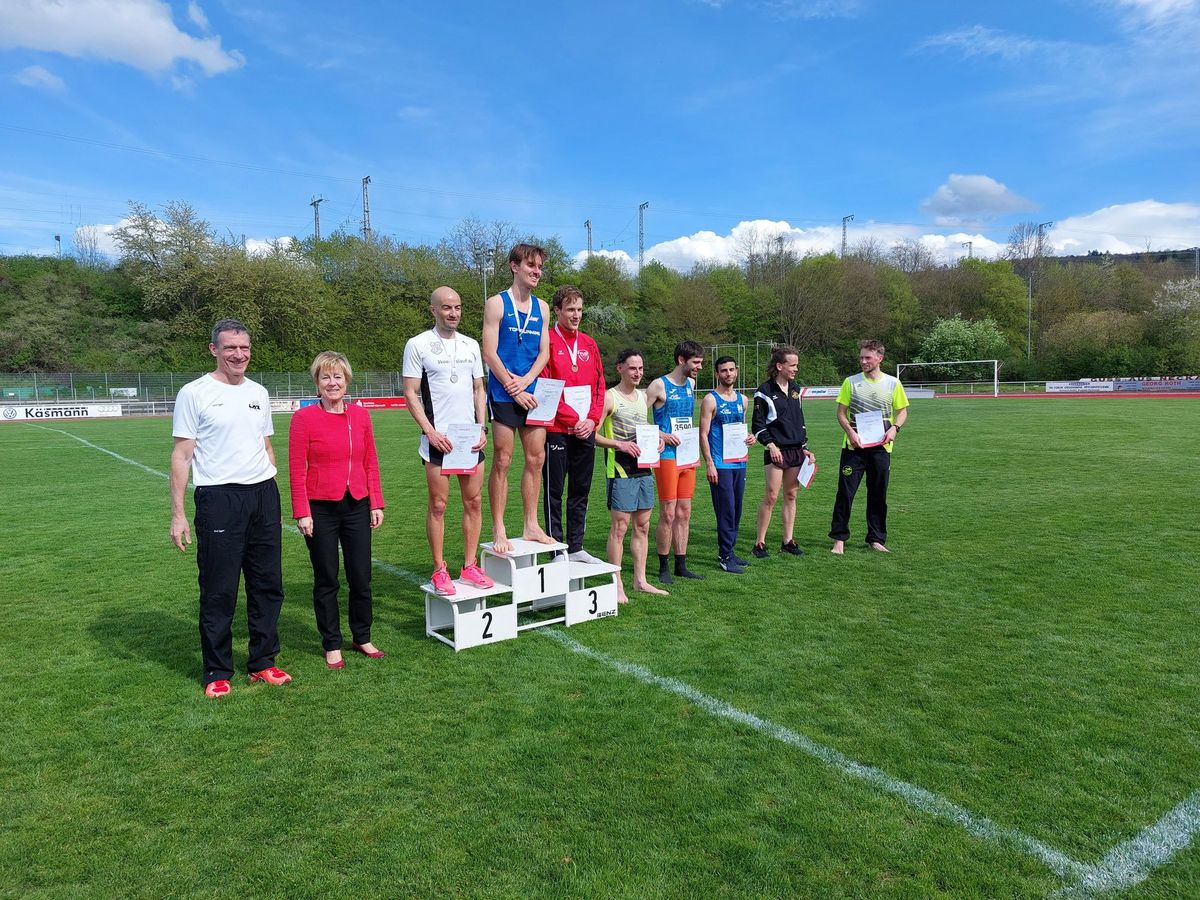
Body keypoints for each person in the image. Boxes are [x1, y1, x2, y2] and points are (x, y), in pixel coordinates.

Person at [169, 318, 291, 698]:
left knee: (267, 585)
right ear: (214, 350)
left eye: (244, 348)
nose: (239, 355)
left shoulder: (258, 391)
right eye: (230, 348)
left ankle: (263, 662)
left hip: (263, 495)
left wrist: (273, 488)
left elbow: (265, 443)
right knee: (219, 589)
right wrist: (177, 514)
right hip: (219, 498)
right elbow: (181, 454)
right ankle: (217, 669)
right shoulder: (194, 393)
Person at [288, 351, 386, 669]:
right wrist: (302, 511)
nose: (333, 382)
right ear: (317, 383)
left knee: (361, 576)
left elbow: (369, 460)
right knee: (327, 578)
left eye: (338, 377)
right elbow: (295, 468)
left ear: (347, 381)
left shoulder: (361, 416)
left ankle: (361, 635)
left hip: (357, 503)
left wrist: (376, 501)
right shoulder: (303, 419)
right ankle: (331, 642)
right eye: (326, 377)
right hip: (320, 509)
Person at [403, 286, 495, 596]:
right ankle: (440, 568)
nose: (452, 312)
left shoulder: (470, 345)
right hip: (438, 439)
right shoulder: (417, 344)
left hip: (469, 438)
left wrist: (482, 427)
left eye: (457, 307)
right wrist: (430, 431)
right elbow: (411, 393)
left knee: (474, 502)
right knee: (439, 506)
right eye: (446, 307)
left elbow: (478, 389)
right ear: (433, 310)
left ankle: (469, 565)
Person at [481, 243, 555, 554]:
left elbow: (544, 352)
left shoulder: (543, 308)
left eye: (539, 267)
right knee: (503, 459)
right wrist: (514, 386)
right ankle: (499, 527)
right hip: (503, 391)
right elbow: (489, 351)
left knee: (536, 459)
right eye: (530, 266)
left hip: (533, 393)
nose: (537, 271)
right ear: (515, 266)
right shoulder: (496, 304)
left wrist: (528, 382)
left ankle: (531, 523)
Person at [540, 285, 607, 564]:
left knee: (581, 489)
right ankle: (556, 547)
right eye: (570, 309)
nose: (576, 314)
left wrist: (591, 420)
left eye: (579, 309)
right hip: (557, 429)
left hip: (585, 430)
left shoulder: (590, 344)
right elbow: (545, 387)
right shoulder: (547, 341)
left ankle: (576, 546)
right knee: (554, 490)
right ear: (557, 310)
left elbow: (600, 387)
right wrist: (574, 419)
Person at [595, 349, 668, 603]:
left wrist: (656, 439)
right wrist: (619, 445)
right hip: (620, 470)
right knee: (620, 528)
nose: (637, 373)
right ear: (620, 369)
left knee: (643, 526)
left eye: (640, 368)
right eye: (632, 368)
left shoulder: (641, 397)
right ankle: (615, 585)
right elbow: (593, 435)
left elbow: (643, 428)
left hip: (644, 469)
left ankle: (640, 581)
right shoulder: (609, 397)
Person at [830, 339, 910, 554]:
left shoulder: (893, 383)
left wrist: (894, 429)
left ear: (880, 358)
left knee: (877, 494)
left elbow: (902, 411)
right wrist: (851, 433)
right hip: (853, 448)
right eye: (861, 357)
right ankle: (839, 539)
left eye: (867, 357)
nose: (863, 361)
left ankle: (876, 539)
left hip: (881, 448)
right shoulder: (851, 382)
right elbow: (840, 412)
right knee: (845, 494)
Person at [646, 340, 705, 582]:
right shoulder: (658, 385)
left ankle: (682, 564)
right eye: (696, 362)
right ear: (682, 360)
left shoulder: (691, 384)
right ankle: (663, 566)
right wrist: (661, 434)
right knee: (668, 512)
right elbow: (638, 417)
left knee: (685, 511)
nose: (699, 367)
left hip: (688, 454)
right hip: (667, 455)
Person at [751, 345, 816, 558]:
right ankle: (759, 543)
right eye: (793, 365)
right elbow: (758, 425)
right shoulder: (764, 391)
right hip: (776, 451)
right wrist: (771, 446)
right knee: (770, 496)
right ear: (779, 366)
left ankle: (788, 541)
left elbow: (800, 421)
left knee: (791, 495)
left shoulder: (796, 389)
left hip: (796, 451)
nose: (796, 369)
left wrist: (805, 448)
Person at [700, 355, 756, 574]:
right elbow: (703, 434)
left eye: (731, 370)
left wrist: (750, 437)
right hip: (721, 465)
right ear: (717, 374)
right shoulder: (710, 400)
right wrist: (710, 464)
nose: (728, 374)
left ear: (737, 371)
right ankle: (724, 556)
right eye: (723, 370)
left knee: (737, 509)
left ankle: (730, 550)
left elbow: (741, 428)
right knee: (726, 510)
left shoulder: (743, 400)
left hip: (739, 462)